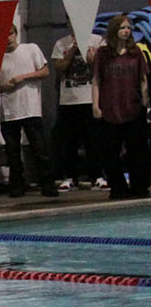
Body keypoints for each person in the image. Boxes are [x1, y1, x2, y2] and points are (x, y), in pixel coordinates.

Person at [91, 12, 150, 201]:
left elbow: (143, 78)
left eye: (128, 28)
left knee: (137, 151)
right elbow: (96, 81)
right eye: (122, 28)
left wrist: (145, 100)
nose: (126, 31)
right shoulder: (103, 54)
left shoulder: (136, 52)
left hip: (133, 107)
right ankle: (118, 187)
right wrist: (95, 105)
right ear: (114, 30)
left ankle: (139, 186)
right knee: (110, 152)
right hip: (110, 108)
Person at [0, 23, 58, 198]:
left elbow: (45, 72)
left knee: (40, 150)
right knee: (13, 152)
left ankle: (47, 184)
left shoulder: (31, 49)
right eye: (4, 35)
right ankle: (17, 185)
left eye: (10, 33)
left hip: (31, 109)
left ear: (16, 34)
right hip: (9, 111)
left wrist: (23, 77)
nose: (8, 38)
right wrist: (5, 86)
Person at [50, 29, 106, 191]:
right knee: (69, 141)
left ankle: (97, 176)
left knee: (93, 140)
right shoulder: (61, 43)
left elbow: (101, 67)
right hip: (69, 100)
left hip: (91, 98)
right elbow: (59, 68)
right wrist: (73, 49)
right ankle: (70, 177)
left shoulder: (97, 40)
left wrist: (89, 55)